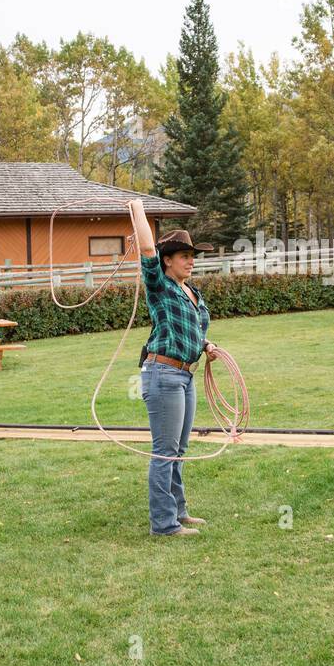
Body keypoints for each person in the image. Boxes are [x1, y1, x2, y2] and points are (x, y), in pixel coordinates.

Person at [126, 200, 218, 538]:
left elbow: (194, 329)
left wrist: (206, 345)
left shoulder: (190, 290)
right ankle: (163, 524)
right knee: (165, 452)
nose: (191, 261)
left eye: (193, 256)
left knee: (178, 451)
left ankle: (178, 511)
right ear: (168, 260)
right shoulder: (159, 285)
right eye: (185, 256)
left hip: (185, 374)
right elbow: (147, 247)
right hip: (163, 375)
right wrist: (136, 208)